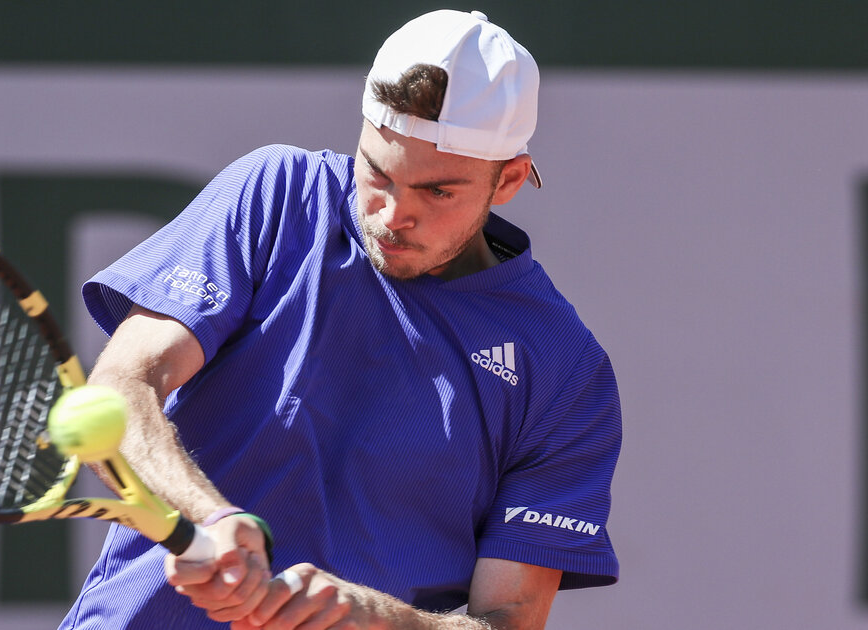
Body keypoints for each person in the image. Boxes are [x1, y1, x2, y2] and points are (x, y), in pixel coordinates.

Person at [59, 9, 621, 630]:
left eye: (437, 191)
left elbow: (509, 620)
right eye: (377, 172)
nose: (392, 215)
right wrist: (209, 517)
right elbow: (123, 384)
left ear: (508, 179)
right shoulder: (275, 194)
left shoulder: (564, 367)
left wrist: (377, 619)